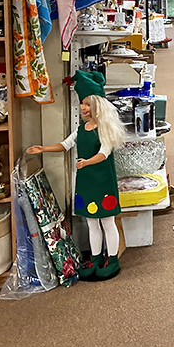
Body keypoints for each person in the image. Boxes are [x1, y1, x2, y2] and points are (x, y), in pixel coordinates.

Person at [27, 70, 127, 281]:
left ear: (98, 105)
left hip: (102, 181)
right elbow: (65, 145)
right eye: (82, 103)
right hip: (86, 181)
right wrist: (42, 149)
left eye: (88, 104)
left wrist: (86, 162)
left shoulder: (105, 130)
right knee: (92, 222)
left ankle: (113, 259)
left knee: (107, 221)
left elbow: (104, 153)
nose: (83, 108)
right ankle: (97, 258)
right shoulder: (81, 129)